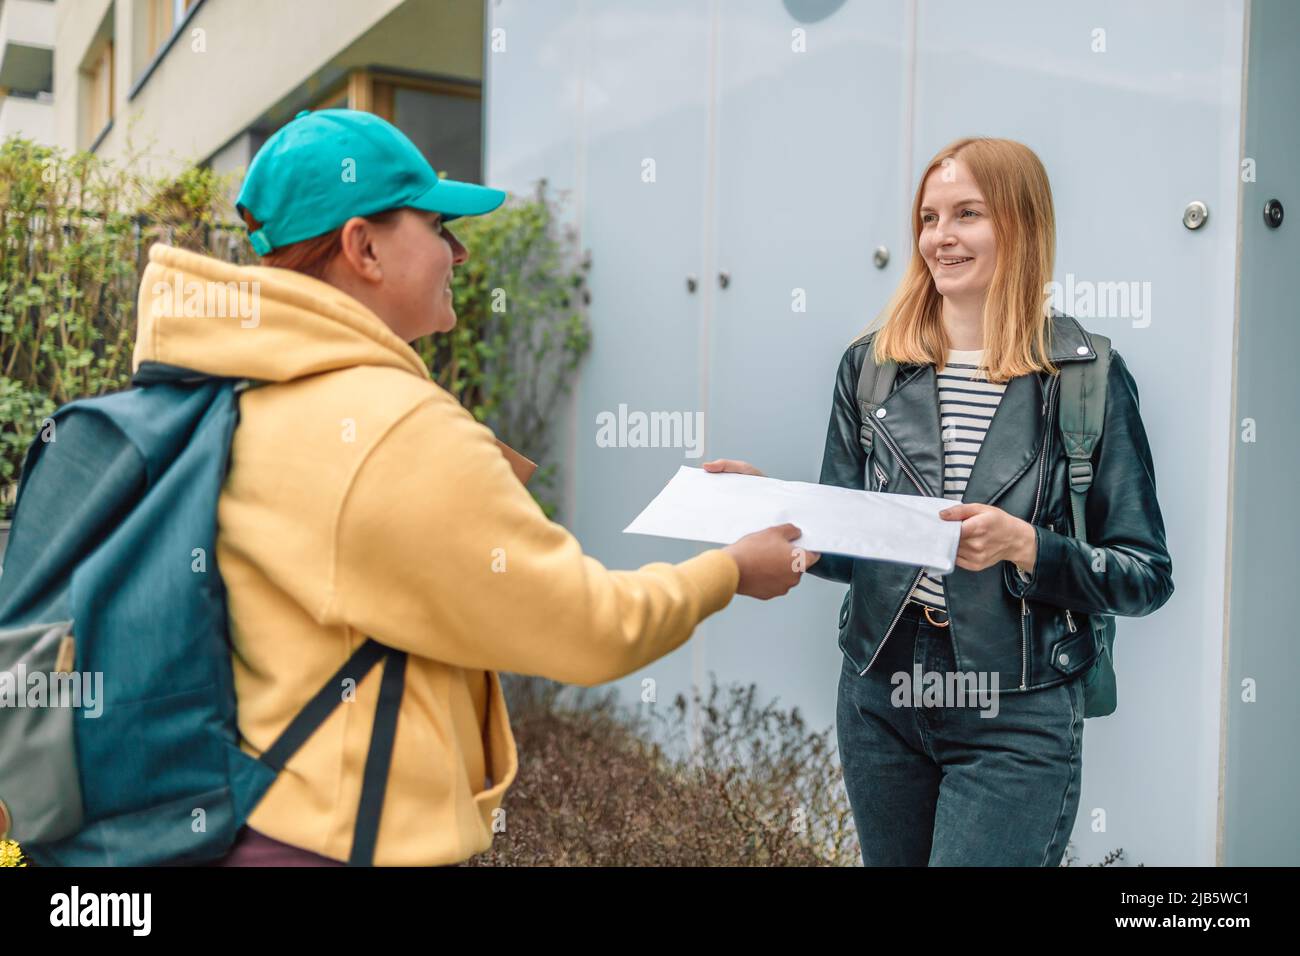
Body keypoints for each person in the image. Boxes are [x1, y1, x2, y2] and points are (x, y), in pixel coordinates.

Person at [130, 108, 815, 866]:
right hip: (353, 846)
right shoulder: (390, 425)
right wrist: (729, 570)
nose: (458, 252)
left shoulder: (237, 389)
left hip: (258, 819)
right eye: (437, 226)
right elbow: (589, 629)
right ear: (363, 247)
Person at [704, 136, 1173, 866]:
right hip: (879, 693)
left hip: (1015, 706)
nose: (940, 237)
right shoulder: (871, 367)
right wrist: (776, 512)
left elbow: (1145, 575)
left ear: (1020, 226)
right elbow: (851, 545)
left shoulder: (1086, 378)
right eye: (928, 217)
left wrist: (1028, 547)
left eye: (967, 214)